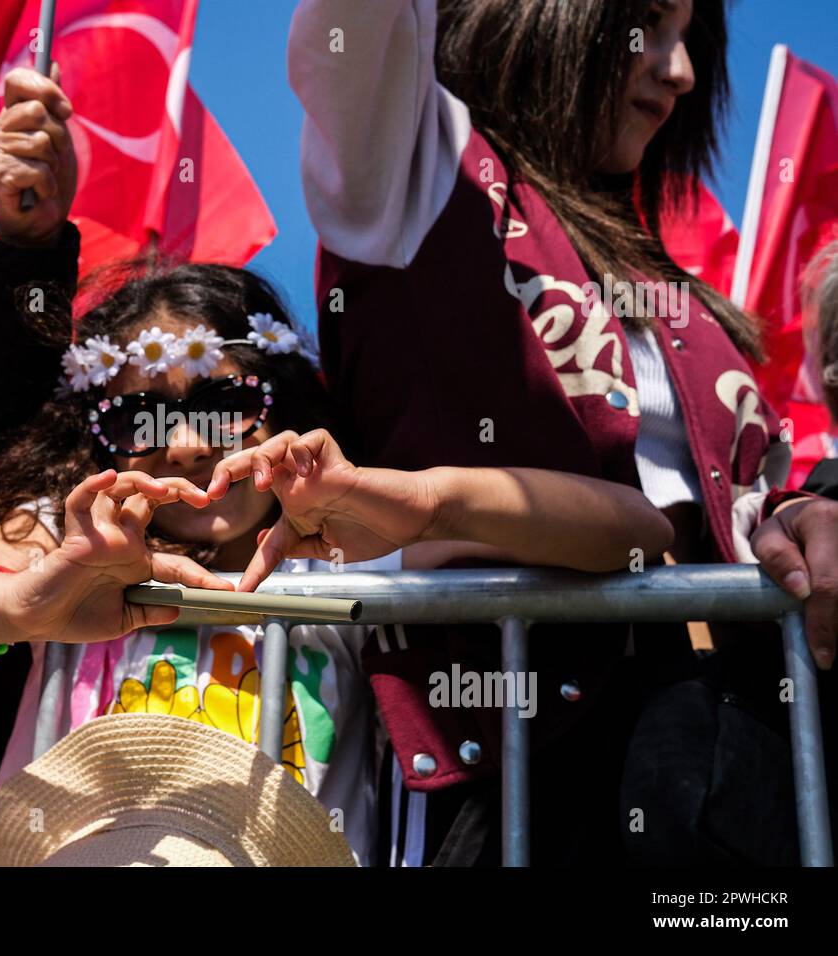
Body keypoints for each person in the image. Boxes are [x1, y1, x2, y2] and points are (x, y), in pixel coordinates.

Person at [0, 55, 673, 866]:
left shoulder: (350, 555)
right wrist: (21, 603)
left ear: (284, 408)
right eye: (142, 419)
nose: (186, 446)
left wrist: (417, 500)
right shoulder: (67, 538)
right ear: (96, 437)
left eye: (225, 407)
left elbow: (636, 537)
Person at [288, 0, 838, 864]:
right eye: (649, 24)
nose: (680, 68)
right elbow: (353, 37)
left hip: (742, 757)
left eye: (690, 38)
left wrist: (803, 515)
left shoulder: (674, 291)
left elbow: (726, 503)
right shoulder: (417, 167)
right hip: (520, 767)